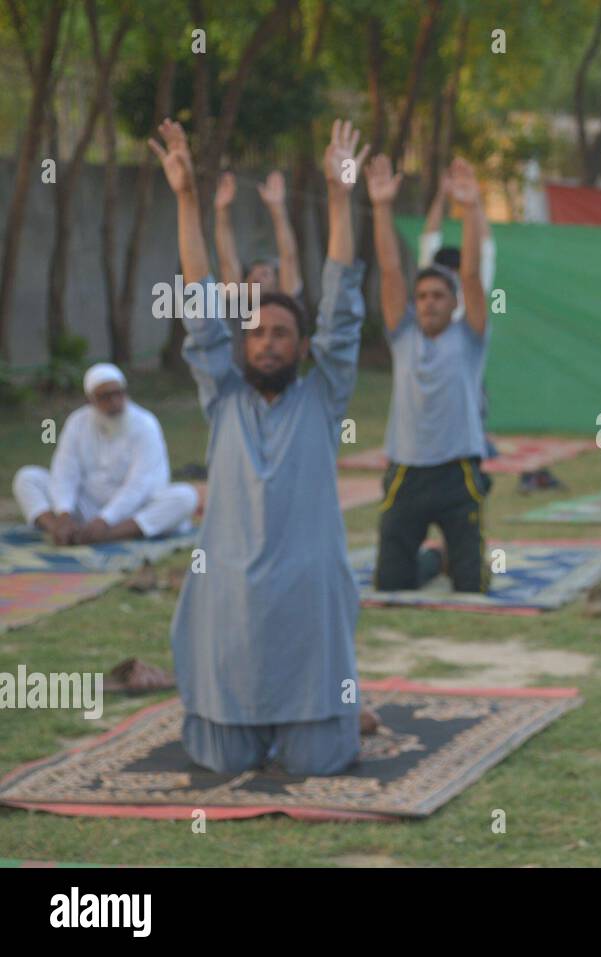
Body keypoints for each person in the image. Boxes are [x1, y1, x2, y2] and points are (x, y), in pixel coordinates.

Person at [152, 117, 368, 776]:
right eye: (256, 333)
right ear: (241, 346)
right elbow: (198, 300)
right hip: (231, 605)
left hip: (309, 601)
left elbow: (341, 307)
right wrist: (187, 199)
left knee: (317, 760)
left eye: (281, 333)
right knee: (223, 759)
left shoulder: (322, 397)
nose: (268, 342)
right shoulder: (223, 397)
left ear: (301, 348)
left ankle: (338, 713)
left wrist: (338, 195)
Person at [368, 153, 491, 593]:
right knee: (390, 583)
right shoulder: (403, 336)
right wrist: (381, 206)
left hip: (458, 470)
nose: (429, 303)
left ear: (454, 301)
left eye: (439, 295)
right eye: (421, 296)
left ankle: (456, 559)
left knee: (471, 585)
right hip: (407, 471)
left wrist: (473, 208)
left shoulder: (470, 337)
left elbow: (473, 273)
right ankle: (431, 559)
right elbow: (388, 269)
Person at [13, 363, 197, 545]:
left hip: (133, 511)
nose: (114, 402)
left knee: (185, 497)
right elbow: (64, 471)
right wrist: (64, 513)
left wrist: (105, 520)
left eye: (119, 393)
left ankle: (106, 536)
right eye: (105, 397)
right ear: (90, 400)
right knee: (28, 477)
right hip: (87, 506)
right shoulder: (77, 422)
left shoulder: (145, 424)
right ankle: (60, 530)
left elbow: (139, 485)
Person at [419, 169, 497, 454]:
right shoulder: (429, 285)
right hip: (429, 372)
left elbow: (485, 250)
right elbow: (429, 237)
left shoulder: (471, 288)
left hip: (465, 373)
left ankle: (475, 445)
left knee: (471, 412)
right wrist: (442, 194)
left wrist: (473, 205)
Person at [213, 169, 304, 300]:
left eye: (265, 274)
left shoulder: (287, 303)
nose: (256, 278)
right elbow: (227, 261)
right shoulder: (236, 305)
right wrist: (222, 209)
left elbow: (289, 259)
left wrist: (277, 209)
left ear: (279, 284)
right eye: (251, 274)